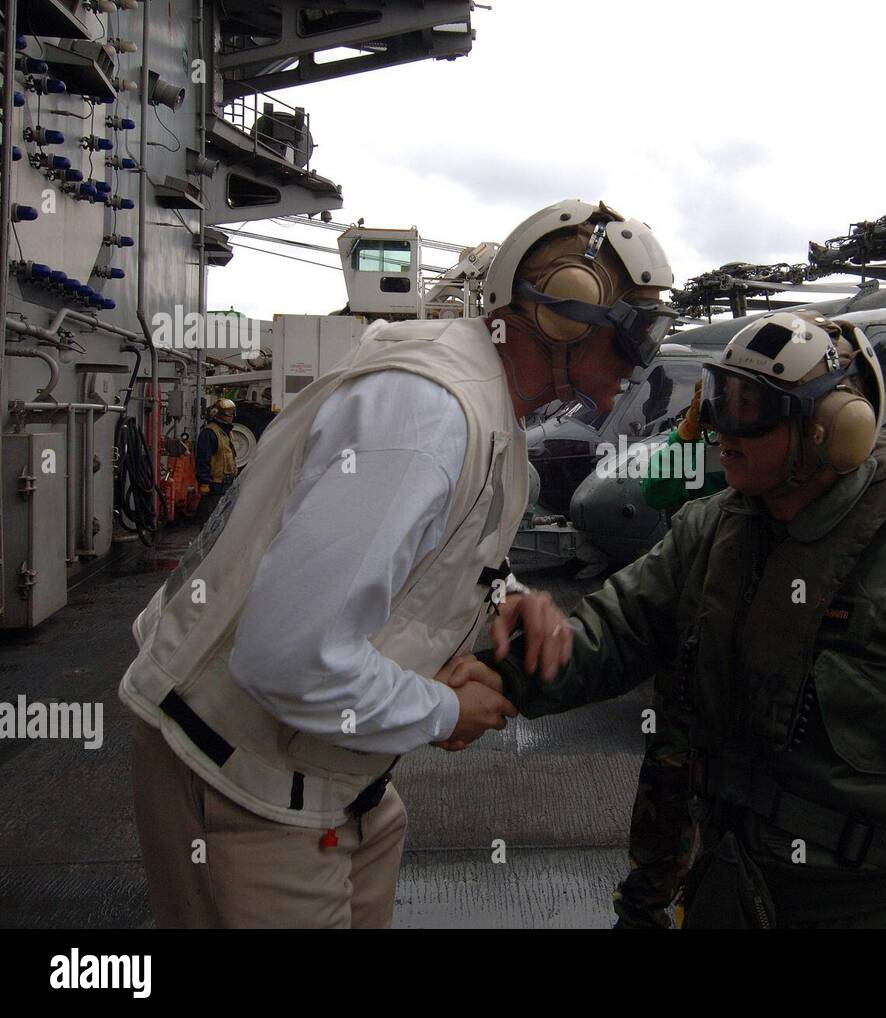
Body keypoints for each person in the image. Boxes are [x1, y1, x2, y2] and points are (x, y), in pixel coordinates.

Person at [118, 199, 676, 927]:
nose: (643, 365)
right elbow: (287, 656)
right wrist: (446, 710)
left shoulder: (481, 408)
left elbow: (435, 553)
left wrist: (504, 598)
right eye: (634, 340)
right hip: (243, 783)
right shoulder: (427, 417)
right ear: (564, 318)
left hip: (339, 781)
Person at [467, 310, 886, 928]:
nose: (719, 430)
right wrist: (483, 677)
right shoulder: (713, 531)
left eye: (749, 408)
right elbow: (614, 632)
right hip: (724, 887)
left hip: (864, 907)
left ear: (831, 429)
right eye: (719, 399)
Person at [614, 380, 726, 928]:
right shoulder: (715, 461)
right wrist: (690, 431)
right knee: (667, 796)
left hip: (753, 673)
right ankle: (647, 905)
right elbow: (658, 490)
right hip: (690, 663)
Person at [194, 398, 238, 525]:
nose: (232, 416)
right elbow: (203, 459)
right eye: (228, 413)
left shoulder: (227, 432)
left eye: (233, 412)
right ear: (217, 413)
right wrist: (204, 482)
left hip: (227, 483)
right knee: (210, 520)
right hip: (214, 485)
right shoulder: (209, 433)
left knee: (223, 520)